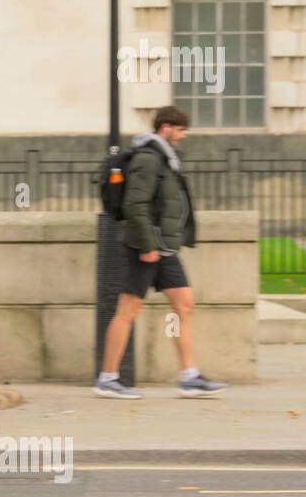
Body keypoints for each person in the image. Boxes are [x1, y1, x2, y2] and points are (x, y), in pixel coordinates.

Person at [95, 105, 227, 400]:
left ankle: (189, 377)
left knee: (184, 304)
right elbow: (135, 205)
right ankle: (107, 378)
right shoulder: (148, 158)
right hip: (146, 247)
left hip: (164, 248)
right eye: (179, 130)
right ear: (166, 127)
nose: (181, 137)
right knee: (128, 310)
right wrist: (147, 246)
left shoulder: (165, 158)